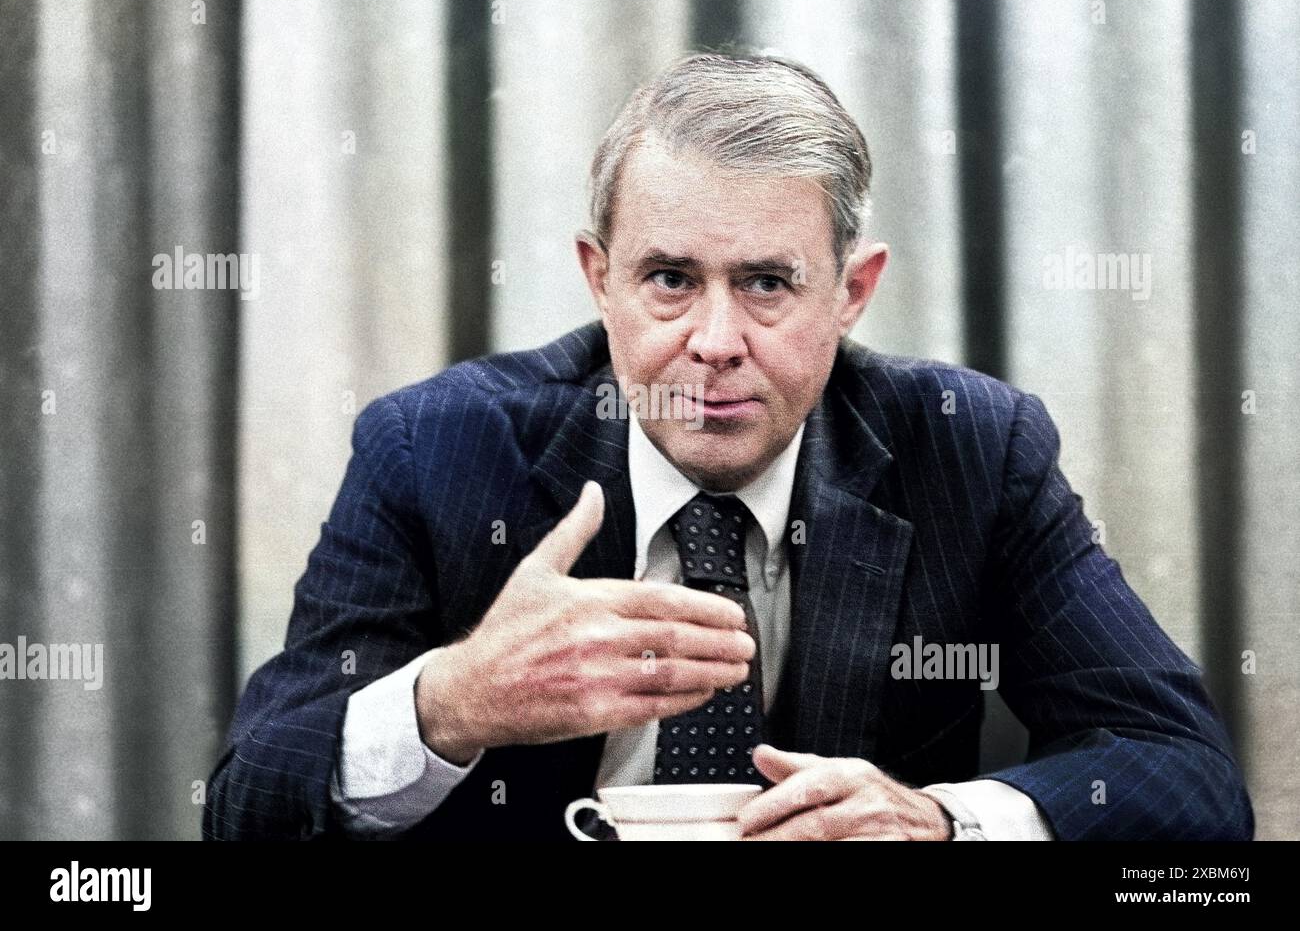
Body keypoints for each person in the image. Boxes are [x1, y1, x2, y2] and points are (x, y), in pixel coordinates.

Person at [203, 52, 1253, 841]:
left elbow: (1185, 776)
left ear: (851, 291)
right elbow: (249, 798)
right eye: (668, 278)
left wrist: (938, 821)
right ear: (597, 277)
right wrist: (452, 701)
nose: (712, 344)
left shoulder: (969, 449)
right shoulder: (433, 446)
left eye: (765, 282)